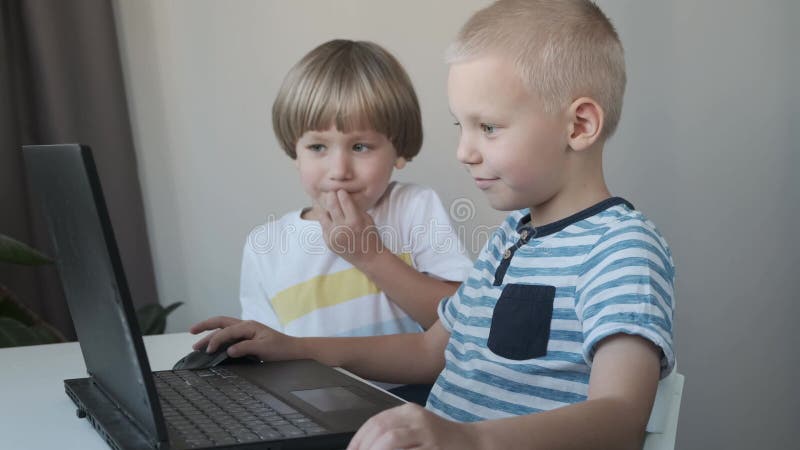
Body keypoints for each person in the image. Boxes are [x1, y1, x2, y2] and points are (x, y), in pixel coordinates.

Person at [192, 1, 676, 448]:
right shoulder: (512, 238)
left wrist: (469, 440)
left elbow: (620, 417)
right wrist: (297, 348)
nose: (464, 151)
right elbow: (431, 350)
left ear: (578, 127)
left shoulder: (621, 248)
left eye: (487, 127)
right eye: (459, 127)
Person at [239, 39, 473, 402]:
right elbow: (272, 356)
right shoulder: (264, 247)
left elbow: (459, 324)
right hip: (316, 415)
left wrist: (369, 256)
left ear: (399, 151)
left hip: (417, 405)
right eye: (318, 147)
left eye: (360, 147)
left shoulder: (414, 208)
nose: (339, 171)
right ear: (293, 152)